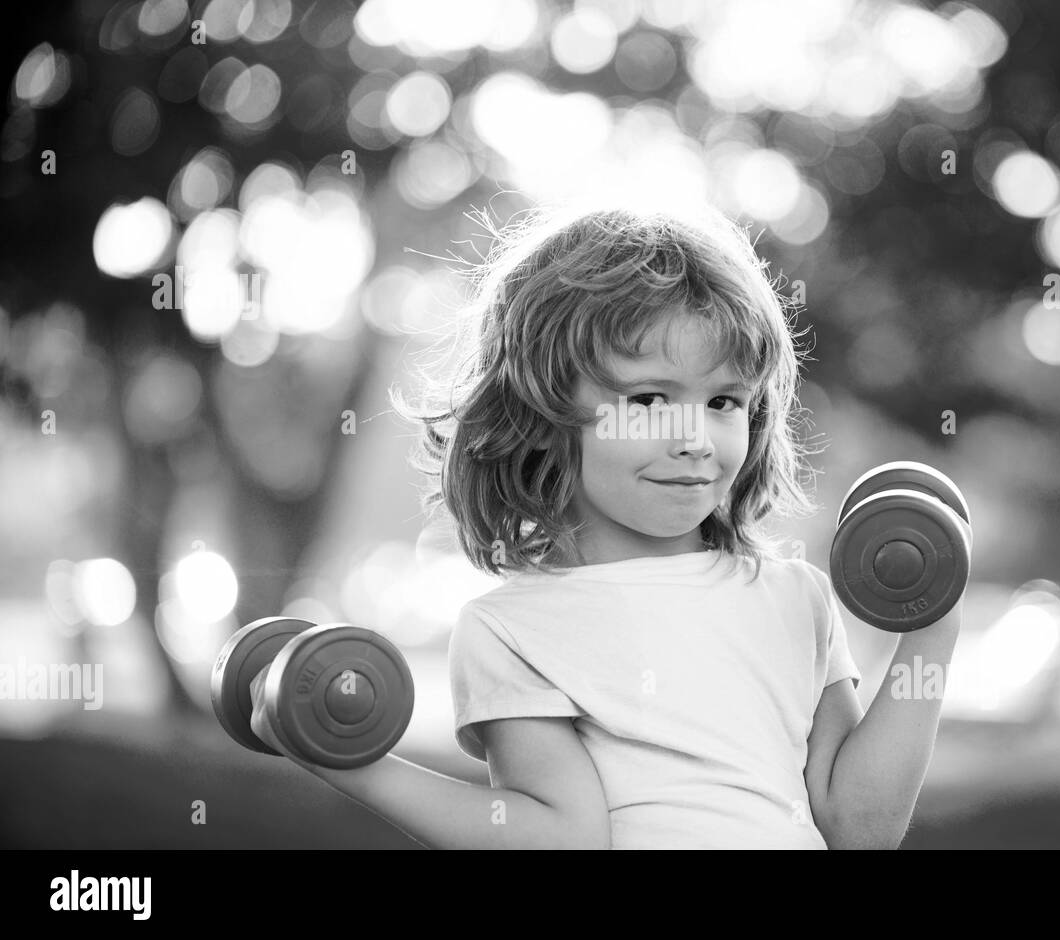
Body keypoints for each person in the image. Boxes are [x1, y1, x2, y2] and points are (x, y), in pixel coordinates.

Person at [251, 201, 963, 849]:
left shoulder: (794, 601)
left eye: (724, 402)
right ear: (541, 420)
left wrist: (932, 629)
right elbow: (564, 836)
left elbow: (858, 827)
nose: (695, 437)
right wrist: (350, 760)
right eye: (651, 399)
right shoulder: (513, 630)